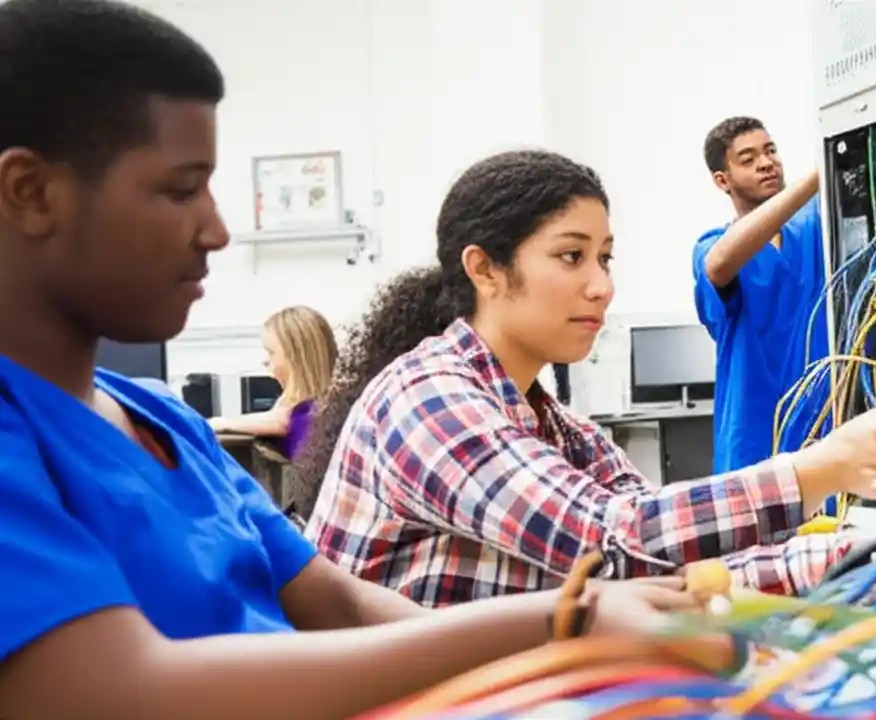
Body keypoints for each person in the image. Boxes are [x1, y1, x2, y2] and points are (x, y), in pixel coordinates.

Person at [0, 2, 696, 718]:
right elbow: (122, 688)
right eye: (180, 190)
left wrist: (548, 664)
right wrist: (560, 624)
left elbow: (340, 603)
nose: (216, 229)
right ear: (30, 192)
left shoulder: (166, 421)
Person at [301, 150, 876, 608]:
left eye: (604, 258)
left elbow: (677, 566)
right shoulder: (427, 400)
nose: (602, 286)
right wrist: (817, 471)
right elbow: (611, 541)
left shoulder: (562, 432)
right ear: (485, 269)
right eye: (571, 256)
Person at [693, 116, 829, 474]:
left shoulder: (815, 227)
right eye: (748, 159)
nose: (767, 163)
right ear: (722, 180)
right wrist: (819, 174)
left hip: (825, 429)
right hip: (755, 440)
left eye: (771, 151)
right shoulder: (713, 247)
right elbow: (719, 264)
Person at [209, 305, 337, 459]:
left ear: (296, 359)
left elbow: (280, 420)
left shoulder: (303, 417)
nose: (265, 361)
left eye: (271, 353)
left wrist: (221, 424)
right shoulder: (324, 410)